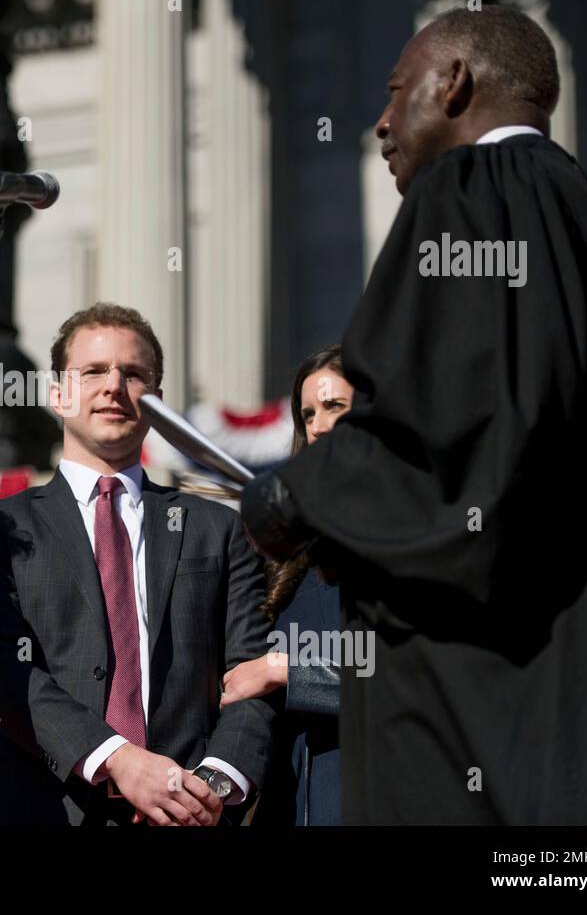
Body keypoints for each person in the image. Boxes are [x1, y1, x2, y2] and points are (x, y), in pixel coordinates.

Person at [240, 7, 587, 823]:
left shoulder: (478, 191)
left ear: (455, 83)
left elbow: (445, 436)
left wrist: (289, 500)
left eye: (396, 91)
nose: (378, 121)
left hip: (485, 734)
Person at [0, 303, 274, 826]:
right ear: (58, 395)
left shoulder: (218, 528)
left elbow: (251, 678)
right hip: (39, 807)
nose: (114, 386)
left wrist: (210, 788)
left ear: (157, 401)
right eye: (92, 372)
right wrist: (120, 760)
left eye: (134, 374)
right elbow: (3, 667)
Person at [223, 344, 349, 826]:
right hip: (289, 805)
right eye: (307, 414)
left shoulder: (420, 533)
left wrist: (286, 670)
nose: (317, 425)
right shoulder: (285, 551)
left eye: (335, 407)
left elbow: (421, 676)